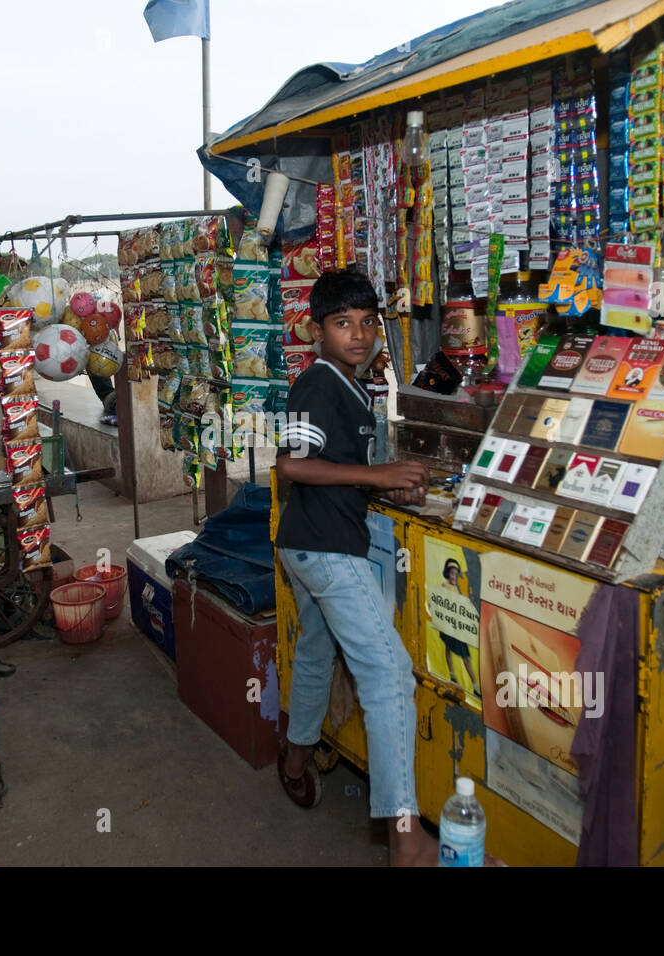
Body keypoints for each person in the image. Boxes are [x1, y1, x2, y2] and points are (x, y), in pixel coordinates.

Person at [273, 268, 435, 866]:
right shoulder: (316, 383)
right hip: (324, 550)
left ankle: (294, 758)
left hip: (309, 543)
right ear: (317, 330)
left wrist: (389, 489)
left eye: (368, 323)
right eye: (343, 324)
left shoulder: (349, 385)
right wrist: (379, 476)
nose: (359, 335)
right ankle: (405, 839)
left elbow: (334, 470)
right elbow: (293, 464)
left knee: (316, 651)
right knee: (390, 673)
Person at [436, 558, 480, 698]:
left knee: (465, 656)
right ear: (448, 574)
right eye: (451, 573)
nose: (453, 576)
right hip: (449, 624)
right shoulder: (444, 586)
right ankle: (452, 674)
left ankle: (474, 686)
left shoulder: (458, 589)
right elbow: (439, 603)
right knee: (448, 648)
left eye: (455, 574)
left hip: (458, 626)